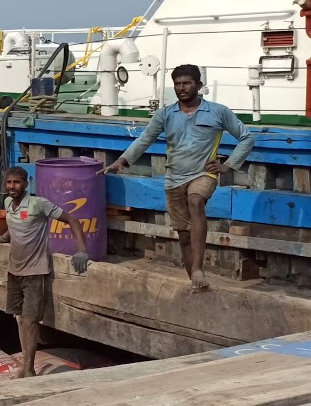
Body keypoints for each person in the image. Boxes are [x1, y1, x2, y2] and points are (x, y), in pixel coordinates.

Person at [102, 64, 254, 292]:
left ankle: (199, 268)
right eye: (178, 84)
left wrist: (228, 165)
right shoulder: (165, 114)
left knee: (195, 200)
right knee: (184, 235)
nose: (182, 88)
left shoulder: (218, 112)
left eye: (187, 83)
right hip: (174, 178)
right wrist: (121, 161)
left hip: (204, 173)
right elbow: (145, 139)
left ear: (199, 86)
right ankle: (194, 277)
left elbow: (246, 137)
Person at [0, 166, 89, 378]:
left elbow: (73, 220)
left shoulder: (38, 204)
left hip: (35, 272)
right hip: (14, 270)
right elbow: (15, 228)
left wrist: (82, 251)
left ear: (27, 184)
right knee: (18, 318)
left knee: (30, 320)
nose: (12, 187)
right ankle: (26, 364)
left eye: (17, 182)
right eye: (9, 182)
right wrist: (3, 238)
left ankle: (29, 368)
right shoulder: (8, 204)